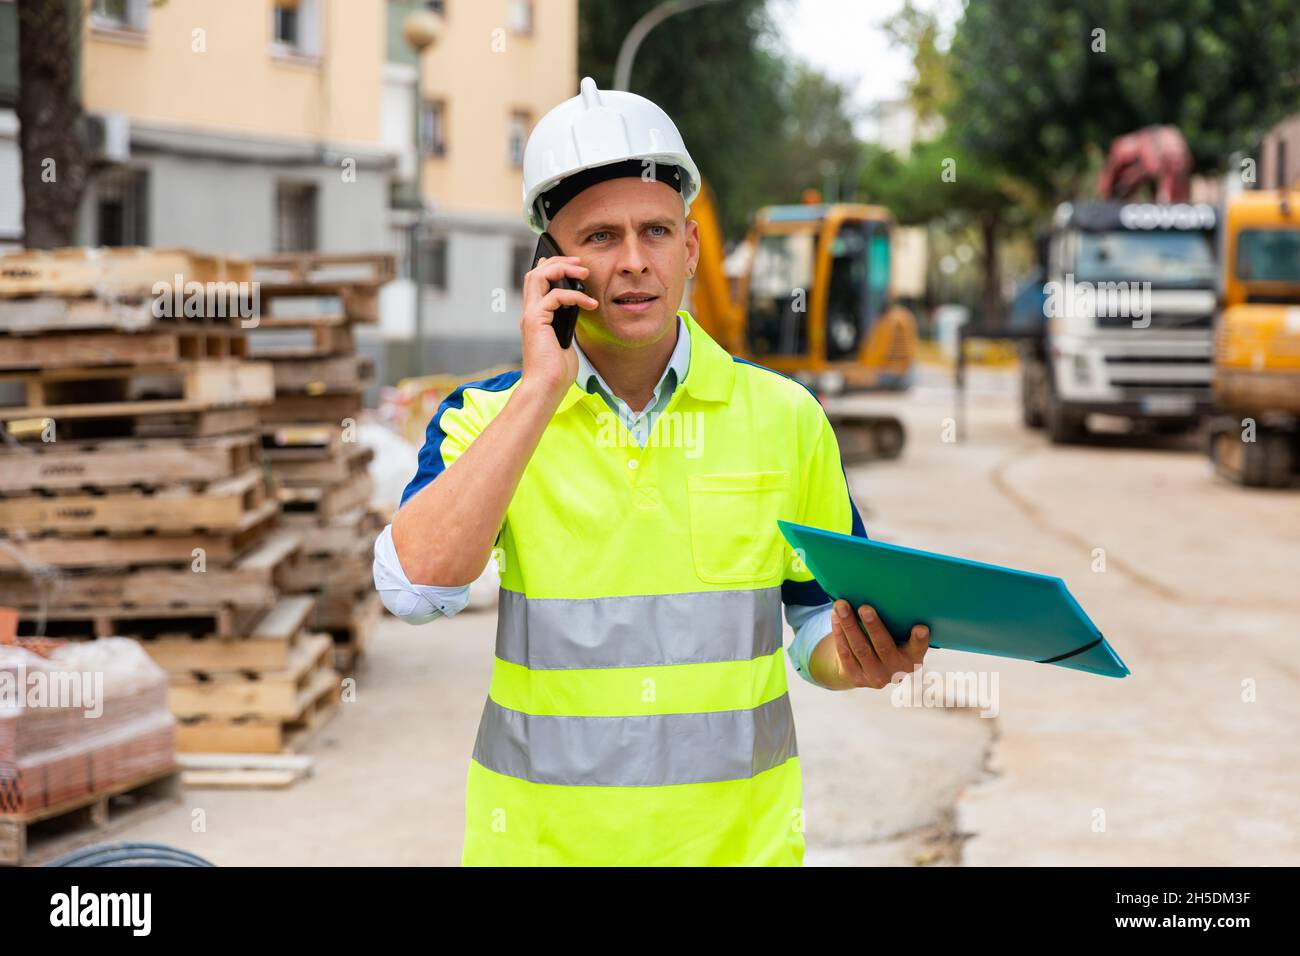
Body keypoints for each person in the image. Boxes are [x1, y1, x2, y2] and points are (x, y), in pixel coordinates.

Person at [372, 77, 930, 866]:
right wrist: (540, 391)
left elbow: (813, 625)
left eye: (657, 231)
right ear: (551, 264)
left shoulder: (785, 417)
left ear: (692, 247)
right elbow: (414, 591)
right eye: (600, 238)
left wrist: (860, 659)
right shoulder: (485, 418)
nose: (635, 263)